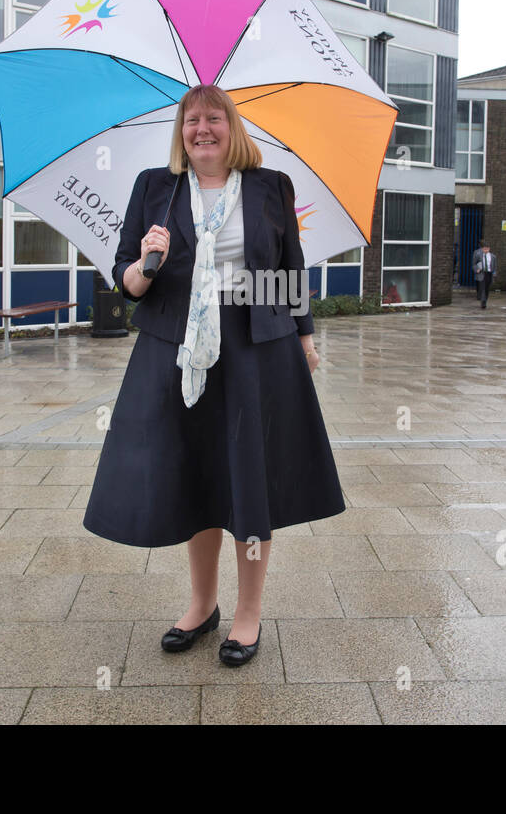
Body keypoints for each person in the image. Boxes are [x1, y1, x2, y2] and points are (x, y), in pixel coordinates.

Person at [83, 84, 344, 668]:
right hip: (176, 347)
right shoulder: (155, 187)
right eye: (191, 119)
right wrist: (146, 261)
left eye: (213, 119)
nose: (202, 129)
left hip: (257, 348)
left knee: (251, 479)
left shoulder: (270, 187)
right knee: (196, 476)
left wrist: (303, 337)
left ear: (233, 129)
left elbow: (288, 270)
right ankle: (202, 606)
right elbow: (125, 281)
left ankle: (248, 614)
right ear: (181, 131)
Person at [473, 244, 496, 308]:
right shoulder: (478, 256)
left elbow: (494, 266)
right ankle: (483, 303)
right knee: (482, 288)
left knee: (487, 289)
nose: (486, 250)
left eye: (487, 249)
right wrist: (476, 269)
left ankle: (485, 300)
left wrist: (494, 273)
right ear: (482, 249)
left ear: (489, 249)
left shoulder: (493, 256)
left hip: (489, 273)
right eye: (484, 249)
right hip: (482, 273)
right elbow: (474, 264)